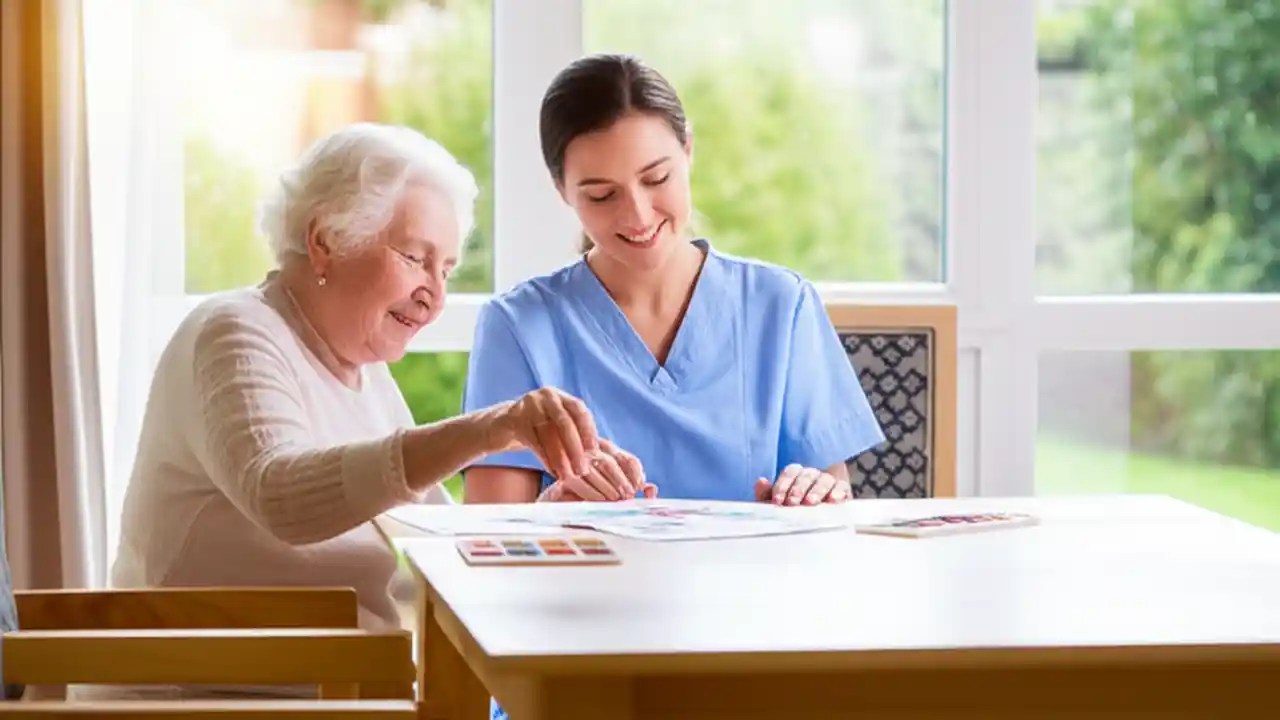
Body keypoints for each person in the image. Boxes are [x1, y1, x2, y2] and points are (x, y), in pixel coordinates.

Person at [111, 123, 642, 636]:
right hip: (220, 696)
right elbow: (281, 498)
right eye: (415, 258)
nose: (434, 294)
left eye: (447, 270)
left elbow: (436, 543)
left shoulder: (362, 373)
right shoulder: (233, 332)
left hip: (338, 691)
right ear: (326, 241)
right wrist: (492, 428)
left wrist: (550, 518)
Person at [463, 53, 883, 507]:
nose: (637, 215)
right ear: (561, 188)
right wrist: (551, 513)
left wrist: (814, 494)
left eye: (656, 178)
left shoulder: (782, 306)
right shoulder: (518, 326)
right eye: (602, 195)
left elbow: (831, 504)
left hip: (752, 576)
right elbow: (493, 532)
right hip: (585, 579)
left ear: (688, 150)